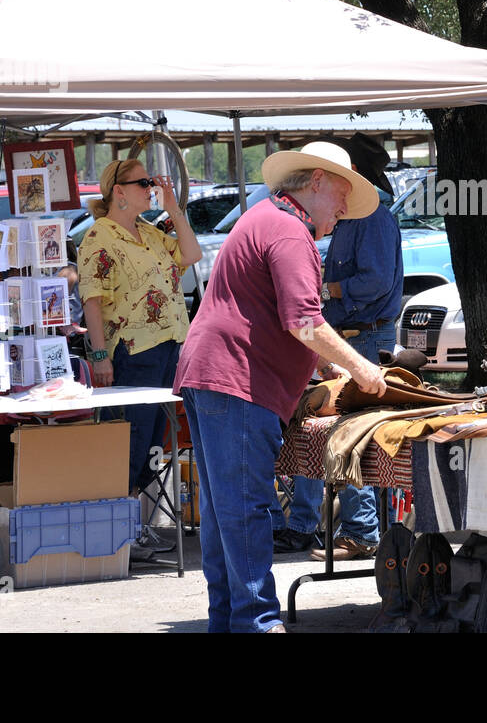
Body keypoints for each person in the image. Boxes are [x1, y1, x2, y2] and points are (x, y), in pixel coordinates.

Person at [174, 141, 388, 633]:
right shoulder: (291, 232)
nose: (343, 208)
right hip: (237, 382)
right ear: (315, 181)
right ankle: (258, 623)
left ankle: (230, 620)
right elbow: (304, 321)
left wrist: (322, 367)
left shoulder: (266, 217)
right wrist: (360, 369)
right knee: (245, 509)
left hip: (216, 376)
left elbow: (274, 316)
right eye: (340, 193)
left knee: (226, 511)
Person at [272, 134, 404, 561]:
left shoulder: (373, 220)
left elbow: (376, 283)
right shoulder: (354, 220)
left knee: (350, 435)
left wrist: (328, 288)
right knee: (326, 429)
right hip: (349, 335)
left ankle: (360, 531)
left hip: (363, 336)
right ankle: (308, 525)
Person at [77, 159, 202, 559]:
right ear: (119, 191)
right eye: (144, 183)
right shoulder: (99, 237)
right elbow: (92, 302)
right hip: (132, 351)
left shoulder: (149, 233)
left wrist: (175, 210)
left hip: (167, 346)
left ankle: (129, 528)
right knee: (130, 443)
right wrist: (99, 356)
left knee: (153, 444)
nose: (151, 188)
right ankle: (119, 534)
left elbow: (193, 253)